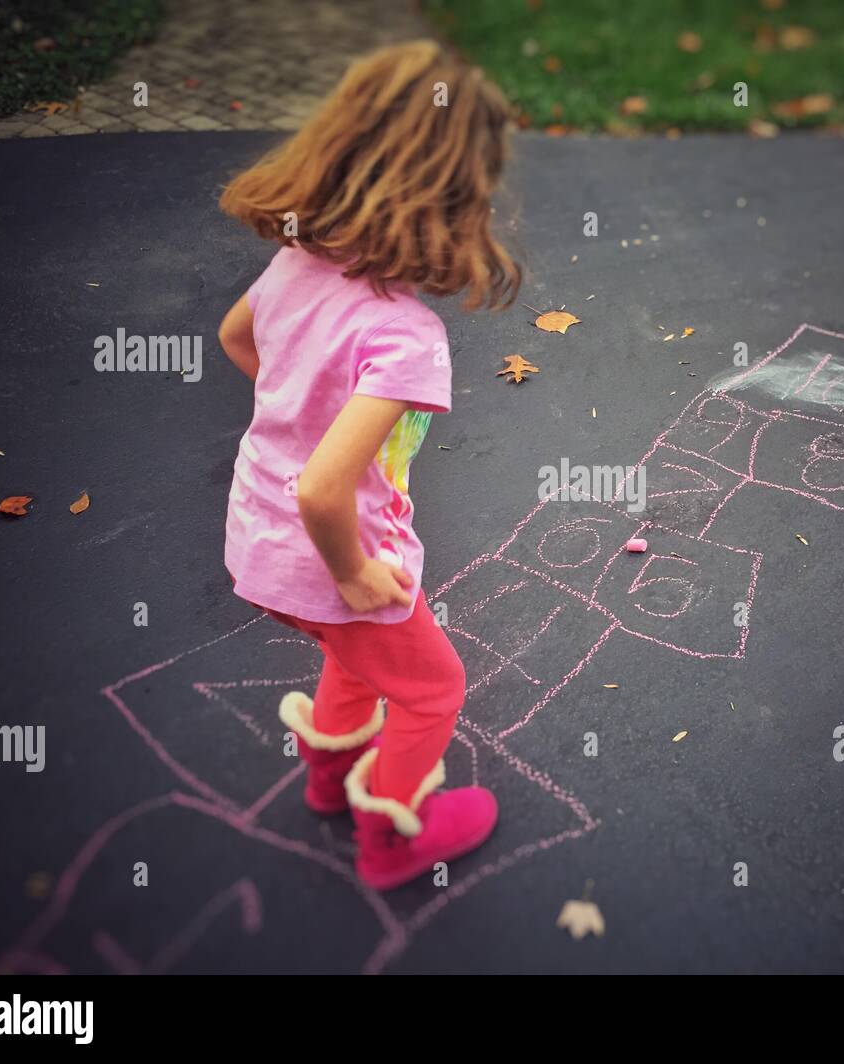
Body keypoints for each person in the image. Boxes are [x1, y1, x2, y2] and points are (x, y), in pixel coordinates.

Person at [215, 40, 520, 890]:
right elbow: (322, 487)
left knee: (351, 659)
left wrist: (299, 408)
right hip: (331, 552)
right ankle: (394, 841)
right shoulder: (405, 335)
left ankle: (325, 780)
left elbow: (235, 338)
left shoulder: (294, 263)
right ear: (457, 199)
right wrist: (350, 573)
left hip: (256, 543)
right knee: (432, 689)